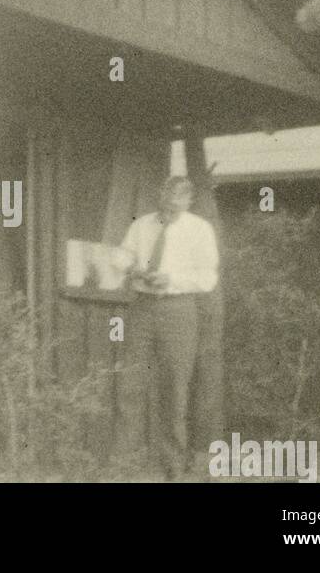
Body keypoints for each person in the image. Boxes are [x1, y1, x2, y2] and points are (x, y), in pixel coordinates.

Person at [114, 176, 219, 478]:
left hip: (179, 311)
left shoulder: (199, 230)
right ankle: (125, 463)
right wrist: (125, 264)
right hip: (142, 309)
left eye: (178, 204)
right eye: (167, 202)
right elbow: (124, 255)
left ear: (188, 202)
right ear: (160, 196)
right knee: (130, 383)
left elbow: (208, 277)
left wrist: (170, 279)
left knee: (176, 386)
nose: (170, 209)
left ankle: (172, 464)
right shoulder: (141, 225)